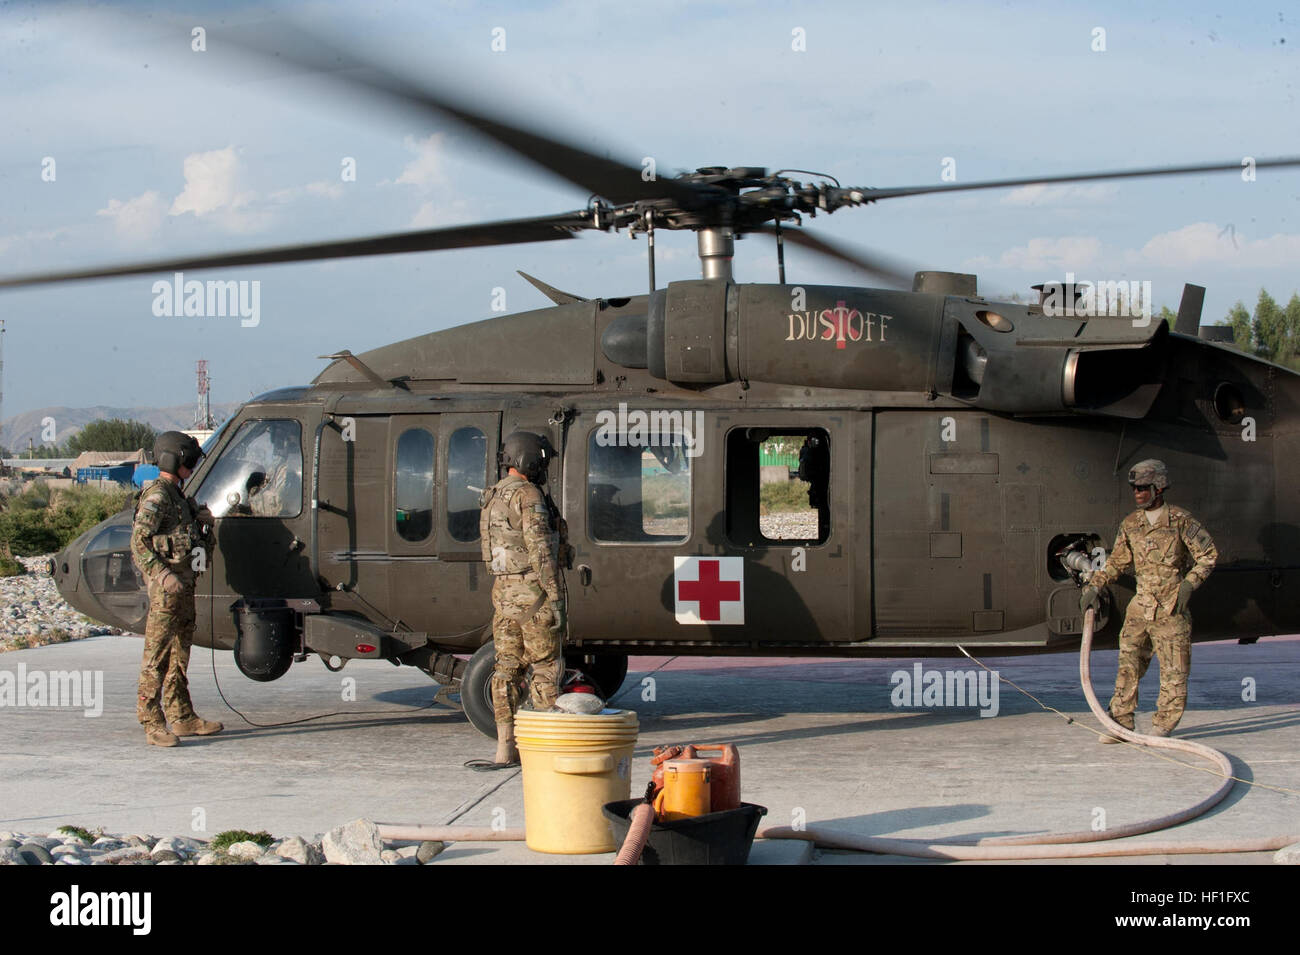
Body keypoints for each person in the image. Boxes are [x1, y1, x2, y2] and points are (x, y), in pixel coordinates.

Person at [1080, 459, 1217, 741]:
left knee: (1174, 671)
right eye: (1134, 488)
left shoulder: (1180, 520)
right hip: (1140, 607)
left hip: (1170, 608)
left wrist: (1189, 584)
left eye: (1143, 488)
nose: (1137, 494)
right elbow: (1117, 562)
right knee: (1128, 664)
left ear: (1158, 487)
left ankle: (1162, 726)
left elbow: (1208, 555)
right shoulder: (1131, 524)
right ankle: (1121, 721)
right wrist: (1095, 586)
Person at [468, 431, 566, 770]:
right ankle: (544, 748)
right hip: (533, 596)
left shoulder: (492, 496)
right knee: (545, 667)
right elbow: (540, 551)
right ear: (528, 459)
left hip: (504, 595)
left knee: (506, 668)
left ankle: (504, 749)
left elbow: (490, 553)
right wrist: (554, 598)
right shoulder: (528, 495)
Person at [130, 431, 223, 747]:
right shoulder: (157, 497)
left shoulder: (180, 496)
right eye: (188, 459)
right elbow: (138, 543)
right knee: (156, 656)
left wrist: (205, 525)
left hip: (184, 587)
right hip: (167, 590)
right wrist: (162, 575)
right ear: (175, 458)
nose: (192, 465)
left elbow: (195, 541)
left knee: (179, 655)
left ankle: (182, 716)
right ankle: (152, 721)